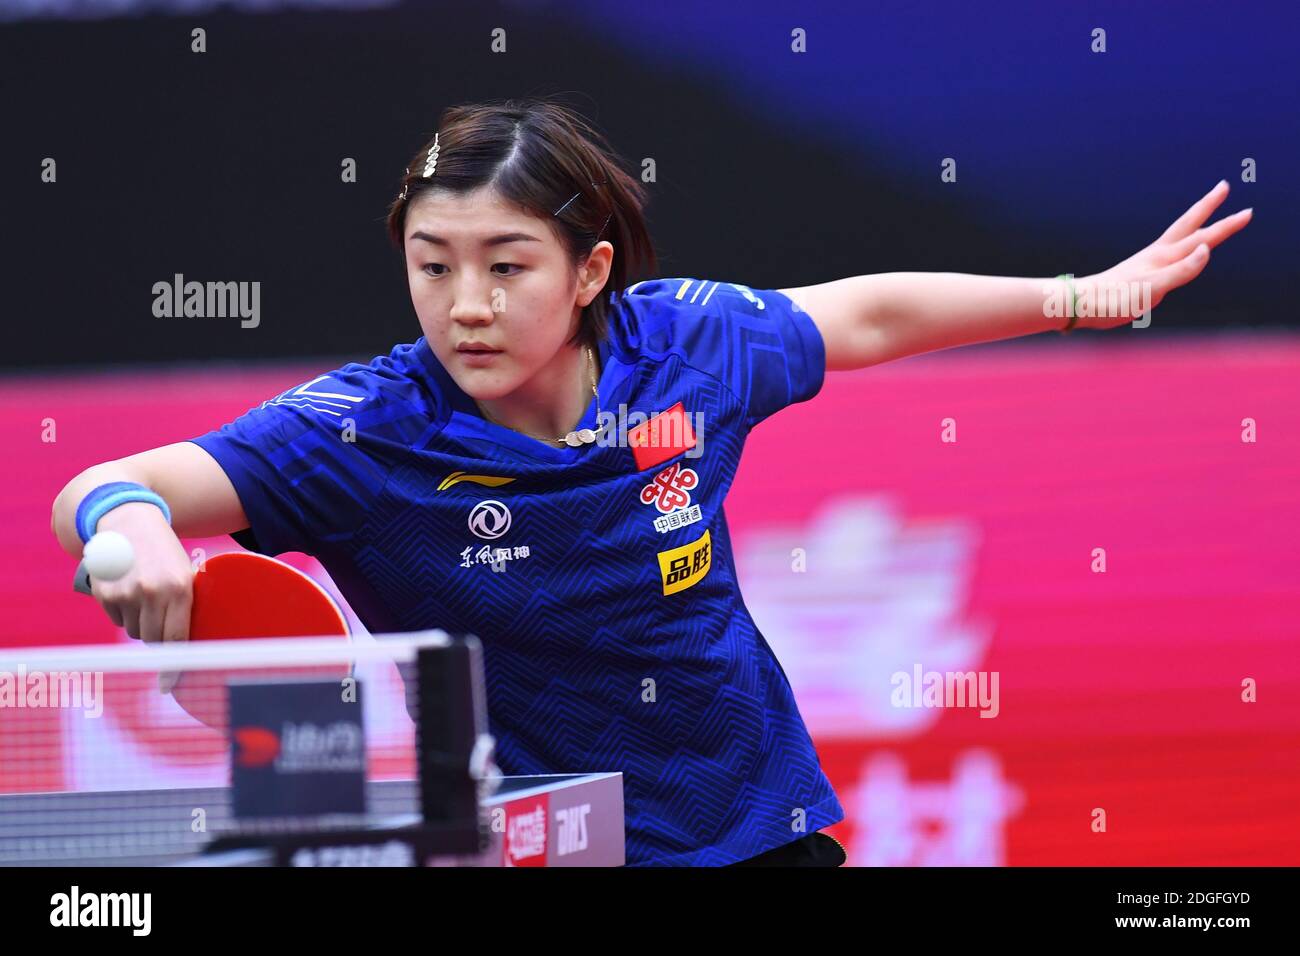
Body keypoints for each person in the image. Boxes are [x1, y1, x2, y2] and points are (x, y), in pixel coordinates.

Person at [50, 97, 1250, 866]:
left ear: (589, 272)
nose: (465, 302)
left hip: (753, 823)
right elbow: (112, 484)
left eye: (506, 264)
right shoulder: (360, 430)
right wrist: (131, 519)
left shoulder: (684, 343)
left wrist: (1084, 297)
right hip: (533, 847)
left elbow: (873, 312)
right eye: (433, 264)